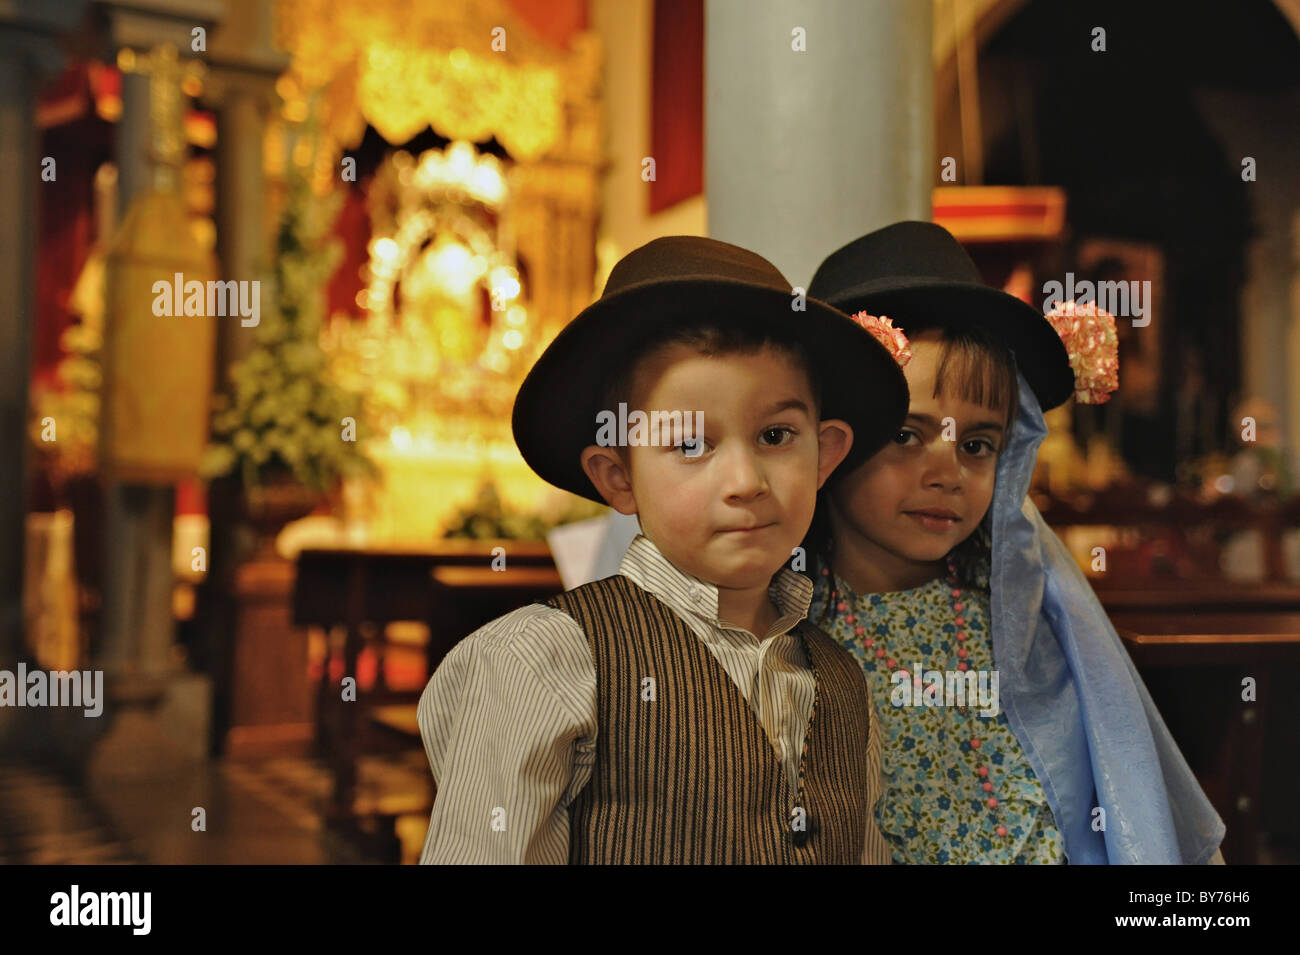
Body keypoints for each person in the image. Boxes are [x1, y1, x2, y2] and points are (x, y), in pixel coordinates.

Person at [418, 235, 909, 864]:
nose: (745, 482)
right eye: (690, 444)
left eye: (776, 435)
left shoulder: (842, 683)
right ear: (619, 477)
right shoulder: (547, 661)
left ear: (825, 454)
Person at [802, 220, 1225, 864]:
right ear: (827, 443)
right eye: (904, 435)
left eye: (977, 445)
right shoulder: (788, 620)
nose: (946, 472)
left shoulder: (1021, 616)